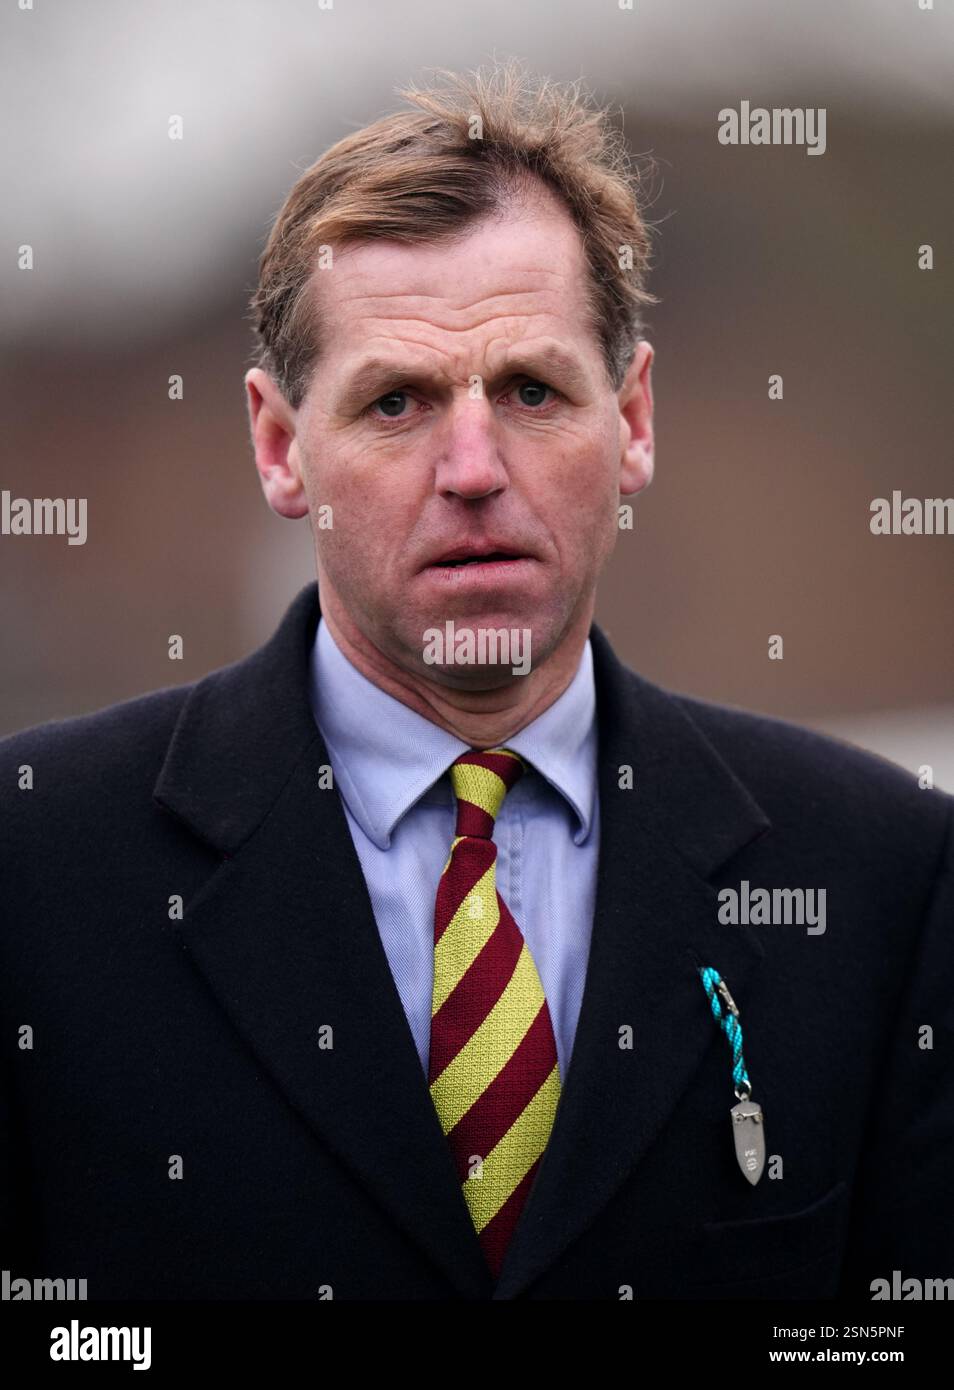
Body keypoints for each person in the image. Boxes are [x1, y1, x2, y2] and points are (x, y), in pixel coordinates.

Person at [2, 62, 952, 1302]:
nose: (472, 467)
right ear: (282, 448)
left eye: (530, 391)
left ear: (634, 421)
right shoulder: (37, 864)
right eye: (395, 401)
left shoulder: (881, 876)